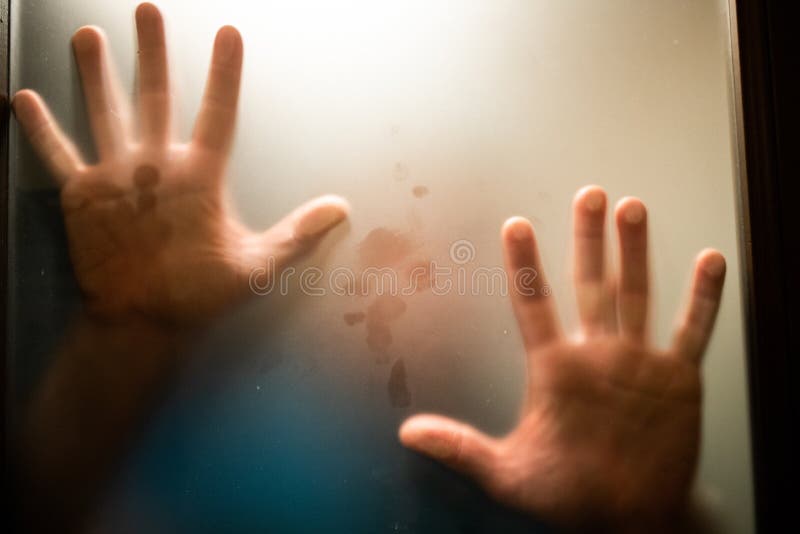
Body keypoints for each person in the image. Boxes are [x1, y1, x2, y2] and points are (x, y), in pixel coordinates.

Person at [11, 3, 726, 533]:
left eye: (457, 251)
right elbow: (54, 506)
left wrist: (664, 518)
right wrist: (127, 335)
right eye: (397, 251)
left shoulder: (536, 450)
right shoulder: (240, 434)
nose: (426, 287)